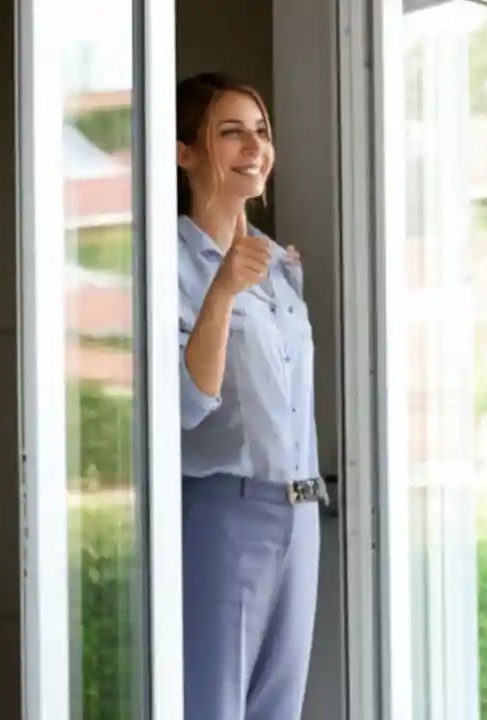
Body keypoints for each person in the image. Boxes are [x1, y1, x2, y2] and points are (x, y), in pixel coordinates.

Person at [176, 71, 323, 720]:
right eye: (230, 132)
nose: (254, 146)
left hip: (300, 512)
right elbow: (183, 405)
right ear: (185, 152)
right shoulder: (168, 264)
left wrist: (251, 275)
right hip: (223, 514)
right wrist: (223, 290)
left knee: (278, 709)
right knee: (214, 704)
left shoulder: (275, 261)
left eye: (260, 132)